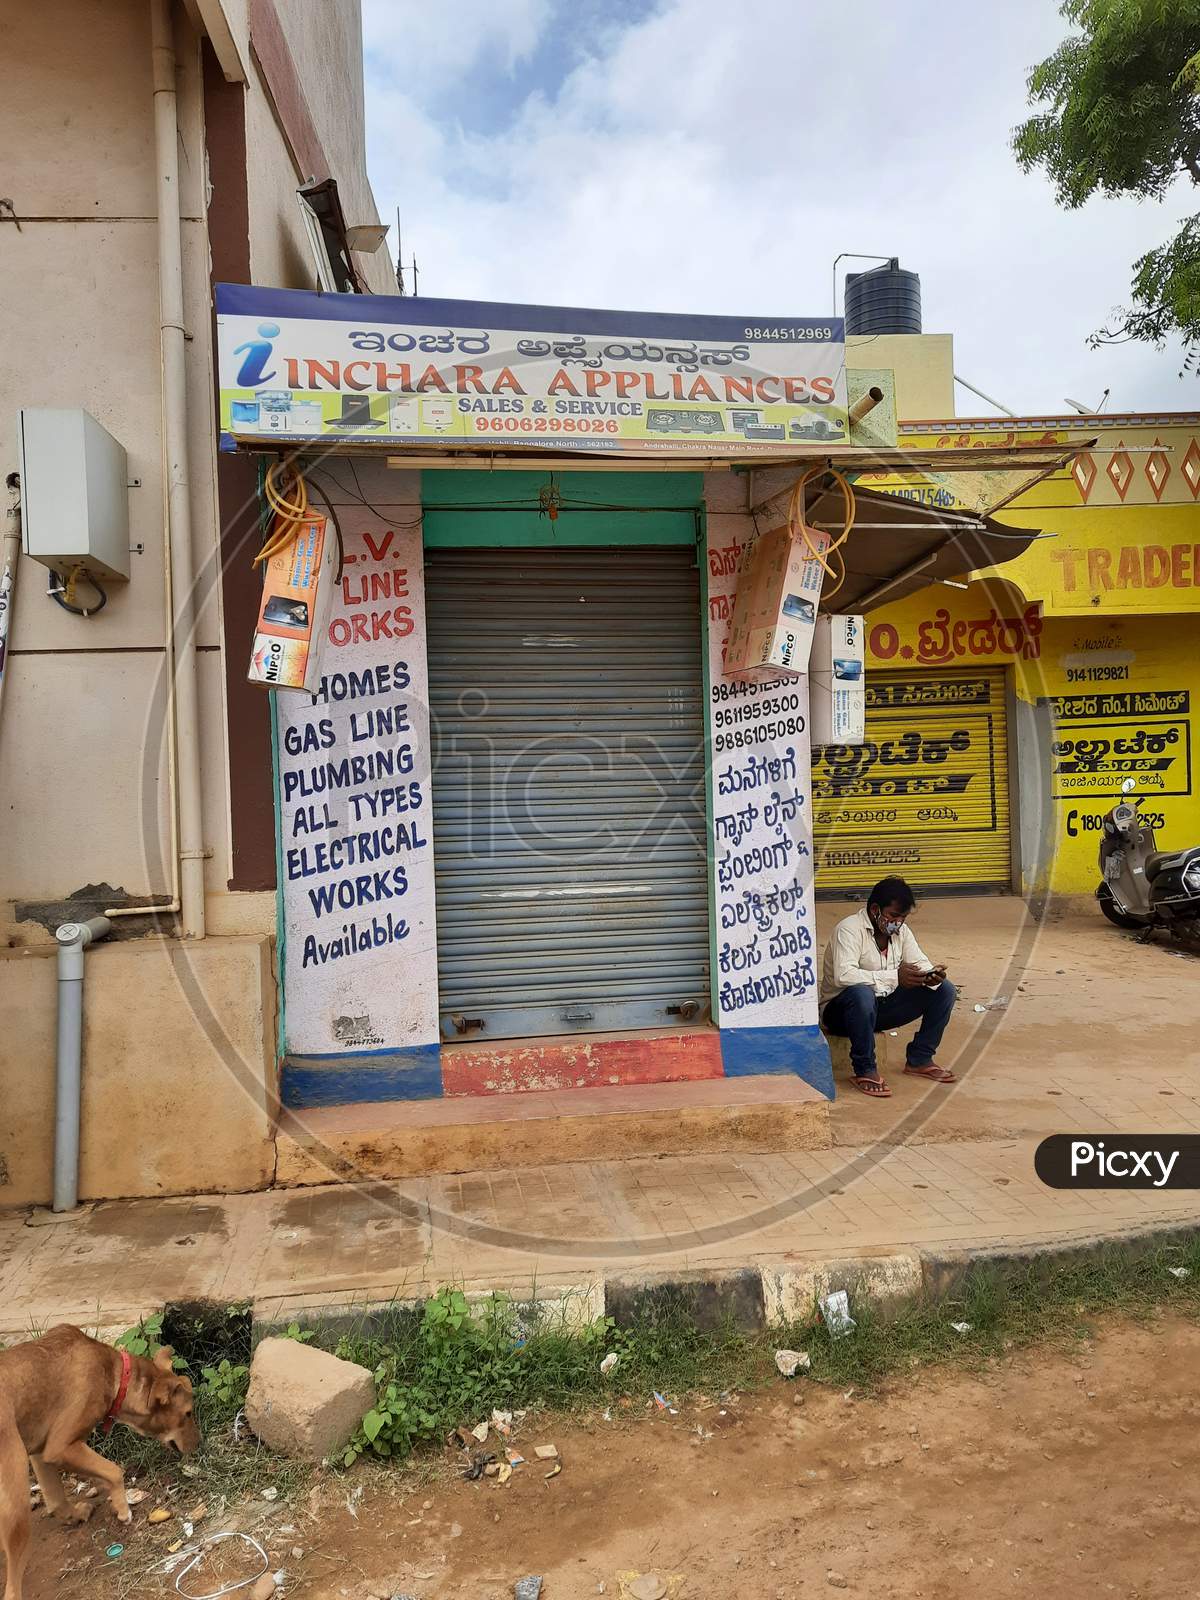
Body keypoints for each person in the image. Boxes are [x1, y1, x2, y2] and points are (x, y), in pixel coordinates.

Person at [819, 875, 958, 1099]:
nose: (899, 922)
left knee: (945, 991)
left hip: (878, 1008)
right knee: (862, 993)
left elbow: (919, 962)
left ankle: (920, 1059)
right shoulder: (849, 929)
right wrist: (895, 977)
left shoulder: (901, 932)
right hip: (841, 1014)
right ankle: (865, 1069)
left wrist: (930, 975)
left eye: (903, 917)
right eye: (894, 916)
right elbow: (843, 976)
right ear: (875, 909)